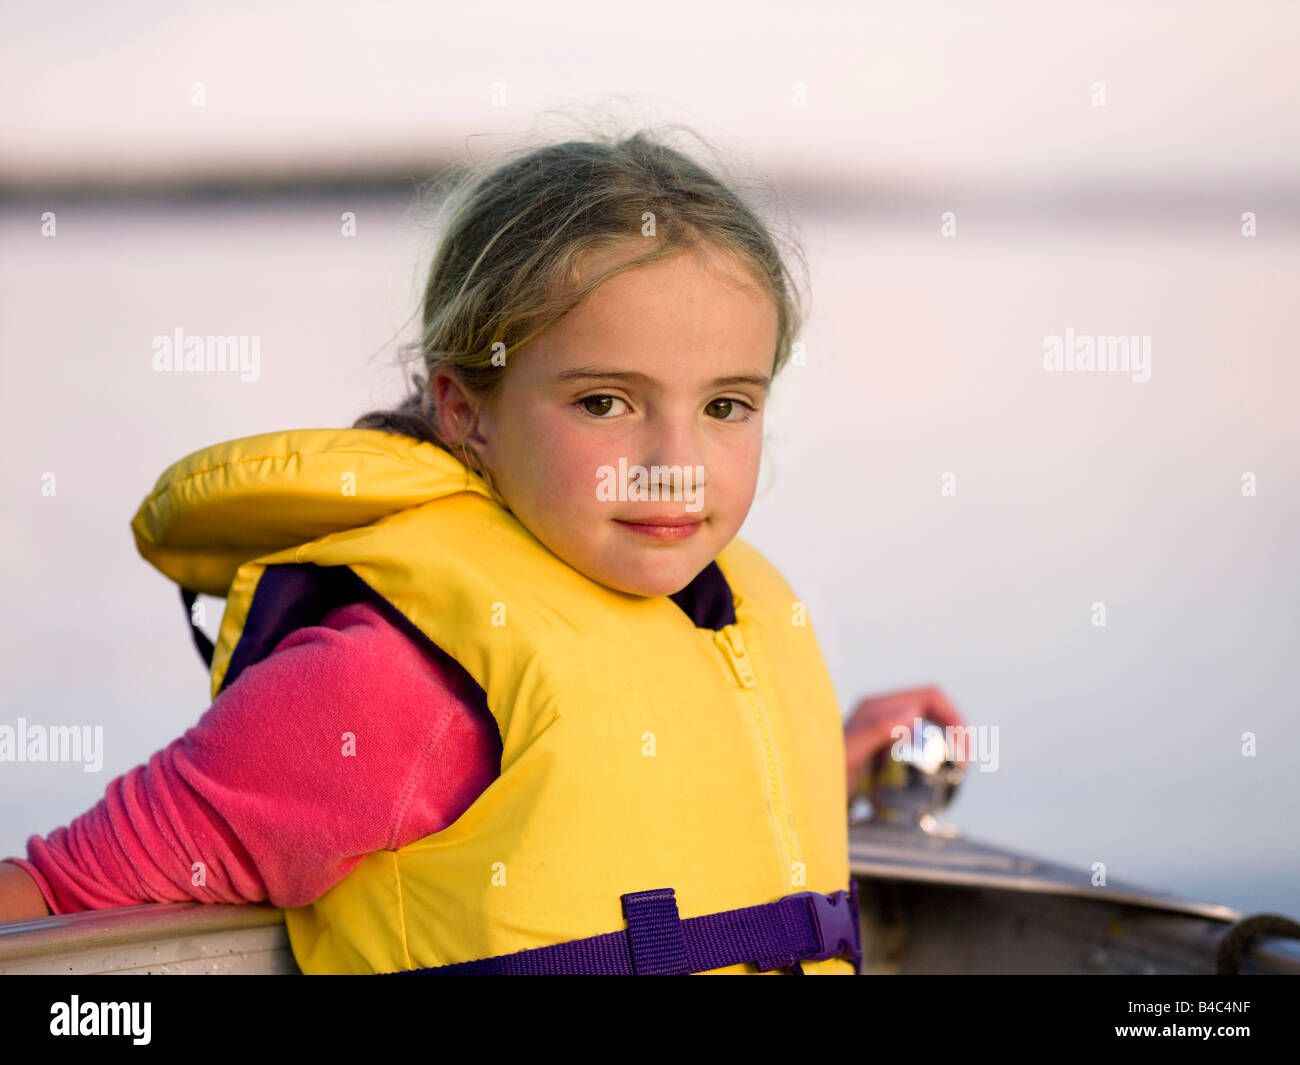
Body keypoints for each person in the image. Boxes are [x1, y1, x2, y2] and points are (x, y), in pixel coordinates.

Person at [0, 127, 965, 973]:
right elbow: (56, 898)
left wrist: (828, 762)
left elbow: (612, 796)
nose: (677, 466)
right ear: (467, 408)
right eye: (604, 403)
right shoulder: (394, 679)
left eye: (726, 406)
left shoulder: (711, 602)